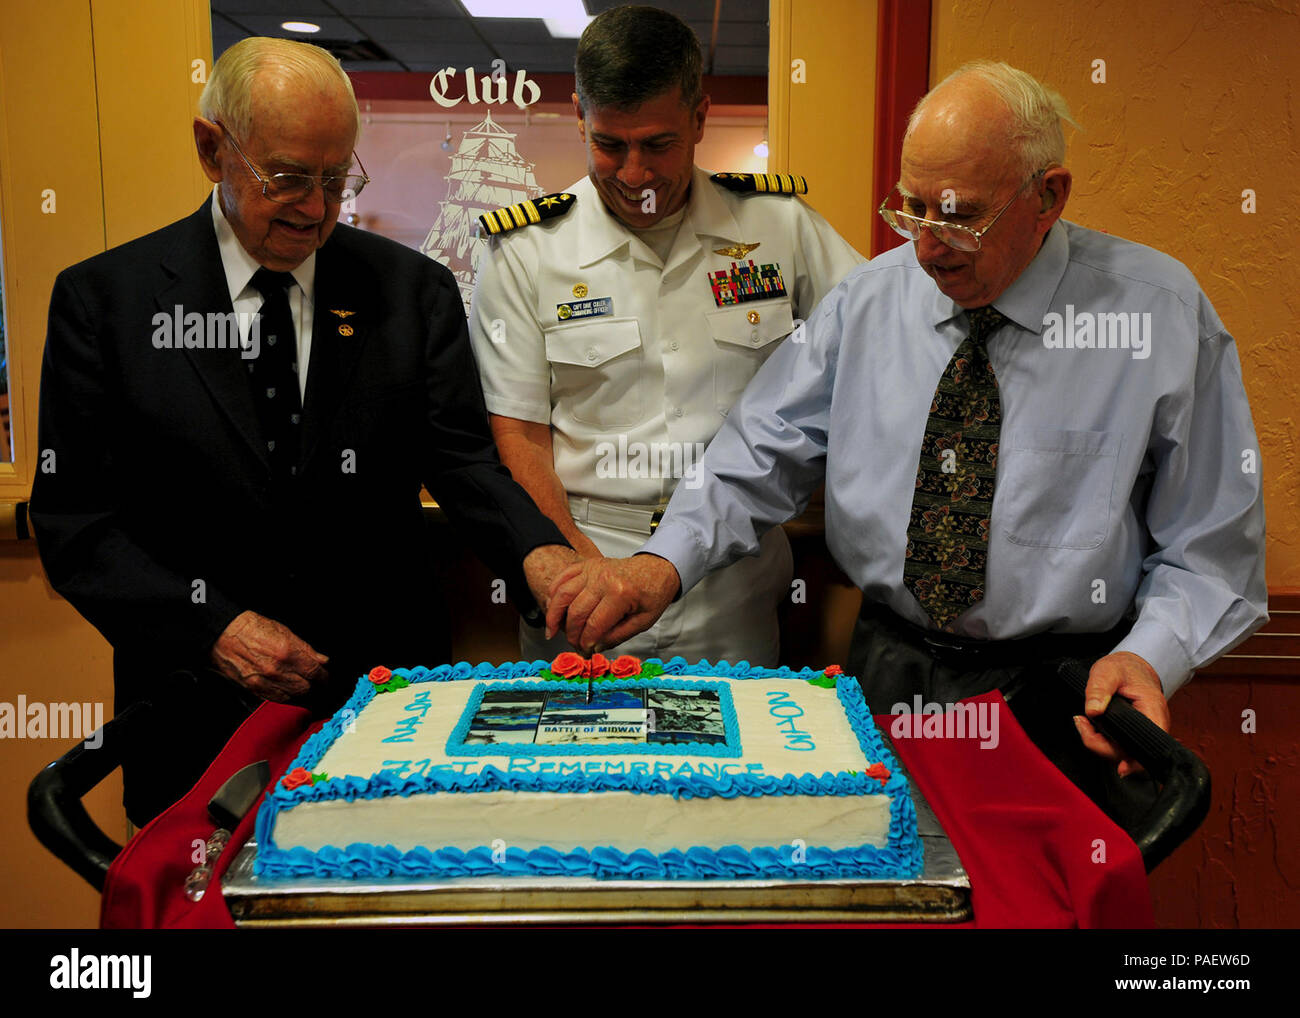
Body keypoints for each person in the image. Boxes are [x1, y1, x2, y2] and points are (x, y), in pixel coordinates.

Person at [546, 60, 1267, 809]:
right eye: (912, 208)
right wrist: (663, 565)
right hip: (888, 667)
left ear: (1048, 196)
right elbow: (755, 454)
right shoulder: (868, 301)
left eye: (959, 216)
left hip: (1065, 693)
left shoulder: (1157, 316)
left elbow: (1212, 549)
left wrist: (1150, 658)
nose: (927, 247)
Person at [29, 37, 575, 826]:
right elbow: (75, 523)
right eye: (286, 178)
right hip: (195, 717)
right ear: (213, 149)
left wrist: (541, 557)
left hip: (384, 711)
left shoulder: (409, 291)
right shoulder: (105, 302)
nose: (317, 209)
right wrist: (211, 628)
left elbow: (462, 463)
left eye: (336, 177)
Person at [468, 4, 863, 667]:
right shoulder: (526, 248)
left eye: (657, 144)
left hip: (730, 580)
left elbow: (878, 343)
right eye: (608, 144)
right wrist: (580, 571)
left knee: (729, 767)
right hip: (579, 564)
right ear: (579, 117)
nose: (633, 174)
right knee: (569, 767)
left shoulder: (780, 227)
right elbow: (520, 434)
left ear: (701, 118)